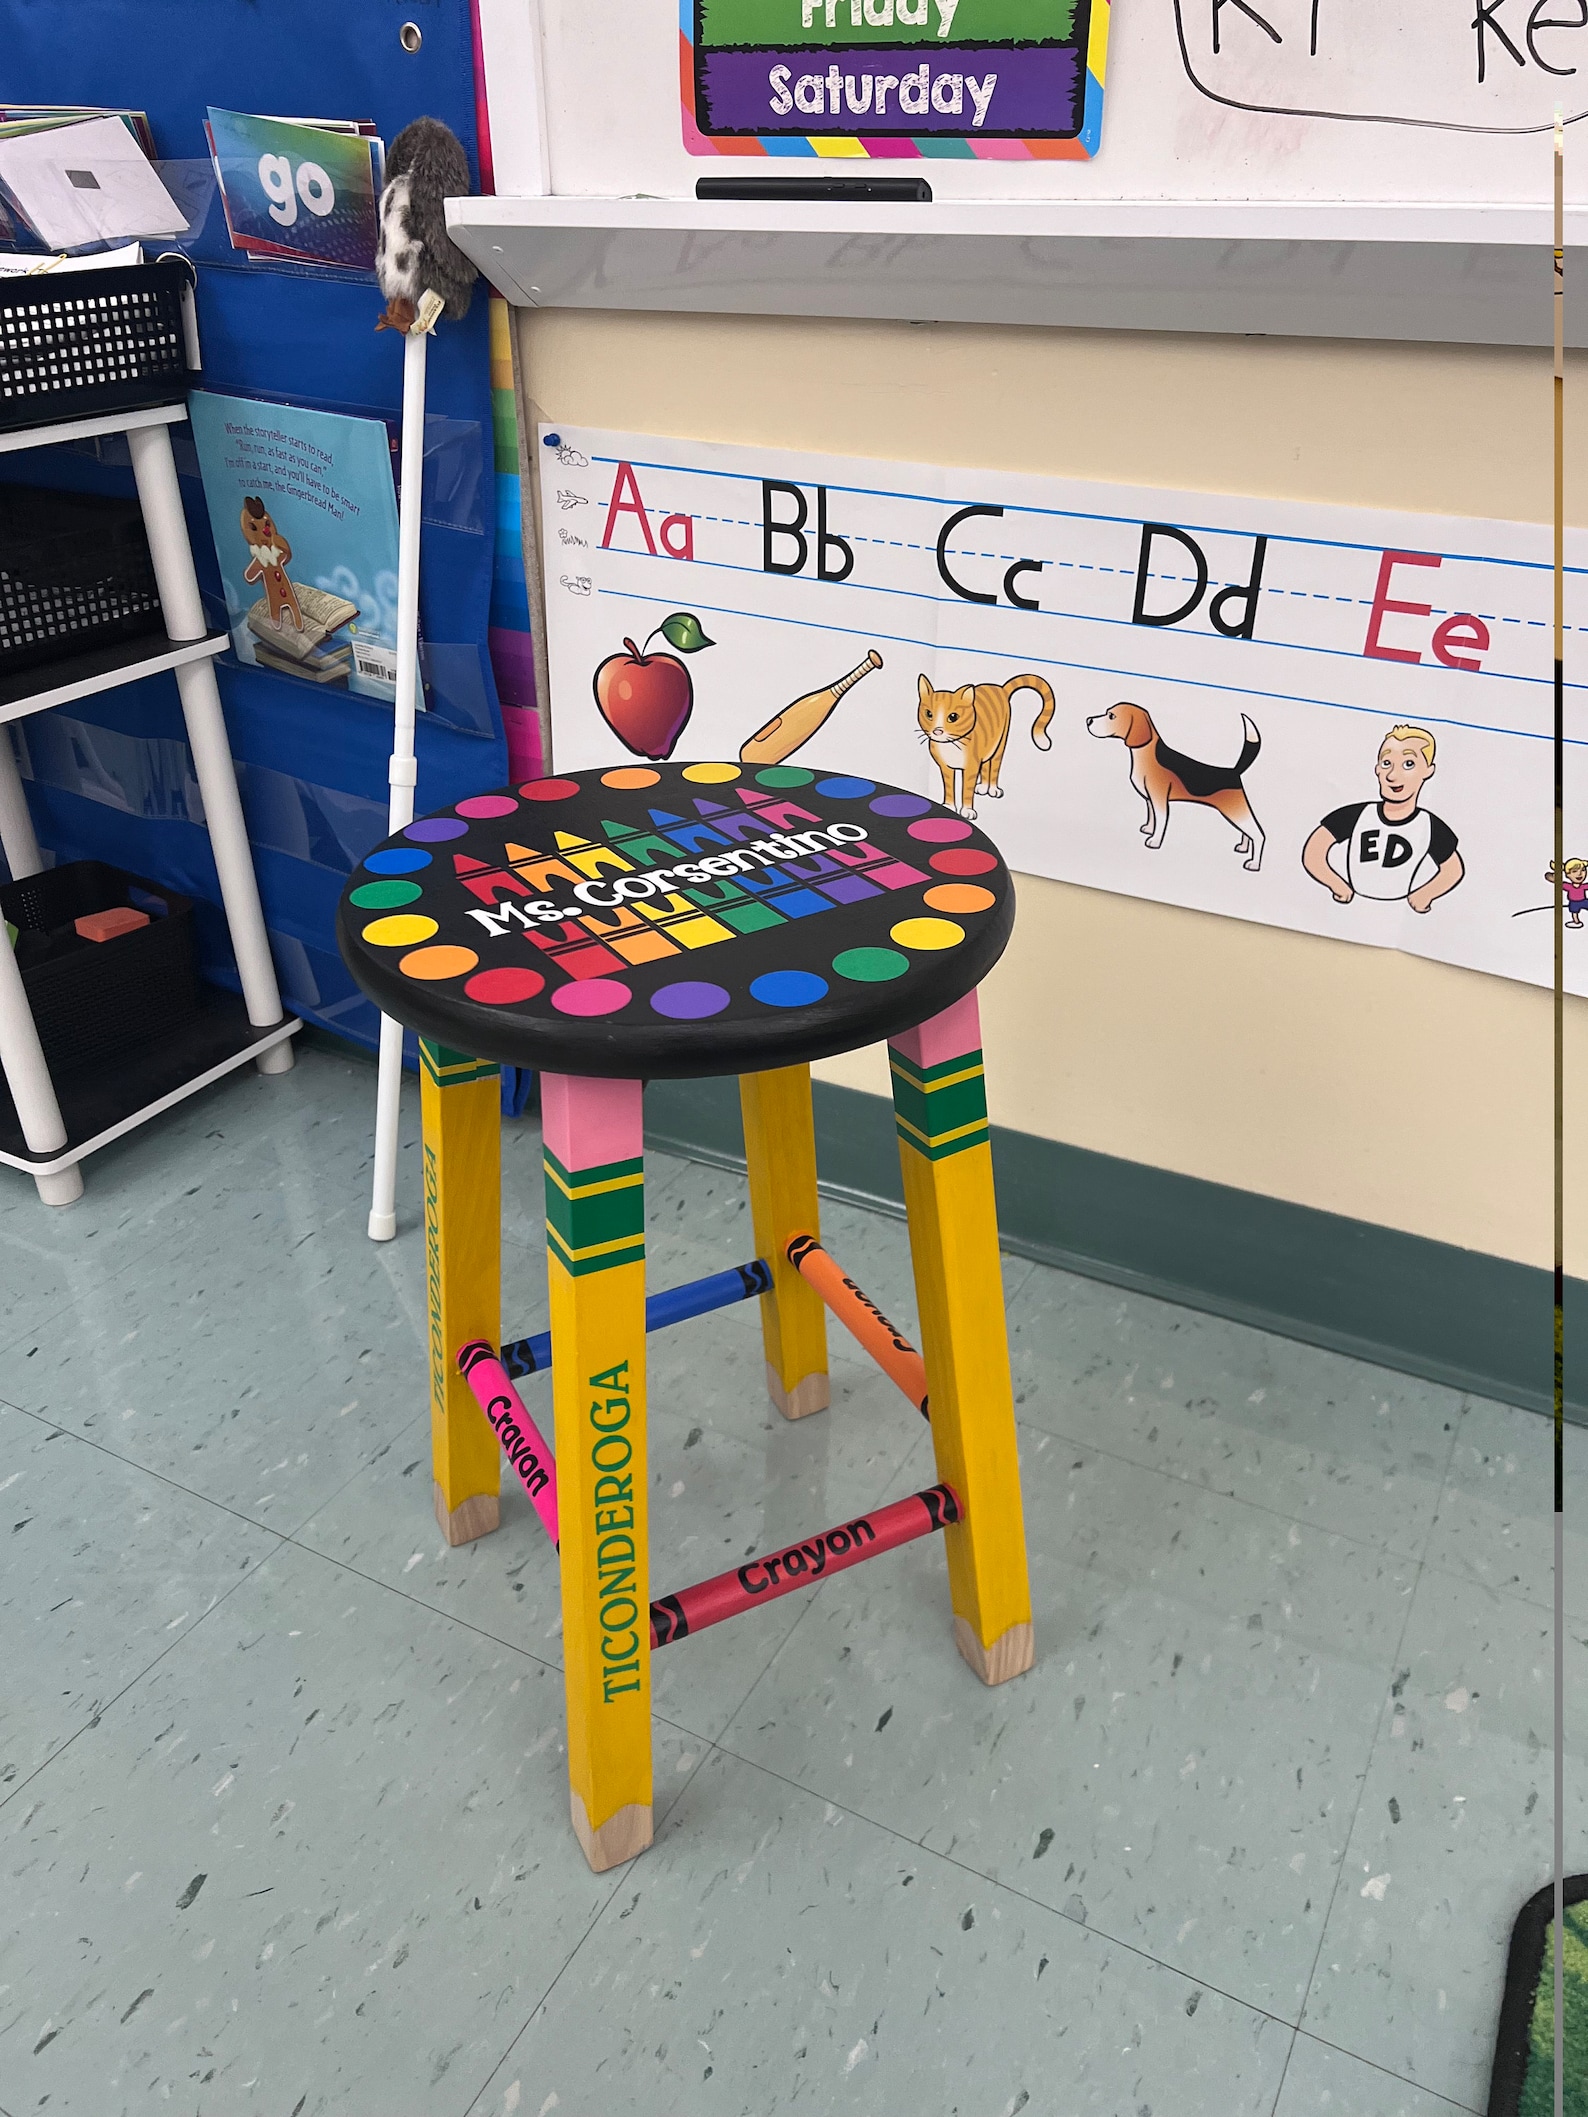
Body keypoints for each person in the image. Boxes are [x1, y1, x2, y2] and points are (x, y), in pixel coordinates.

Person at [1302, 725, 1463, 914]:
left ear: (1428, 770)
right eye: (1386, 763)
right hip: (1343, 911)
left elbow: (1453, 870)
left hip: (1399, 910)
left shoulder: (1429, 826)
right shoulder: (1357, 815)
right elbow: (1314, 850)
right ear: (1377, 769)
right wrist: (1336, 885)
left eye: (1408, 764)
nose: (1393, 775)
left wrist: (1425, 895)